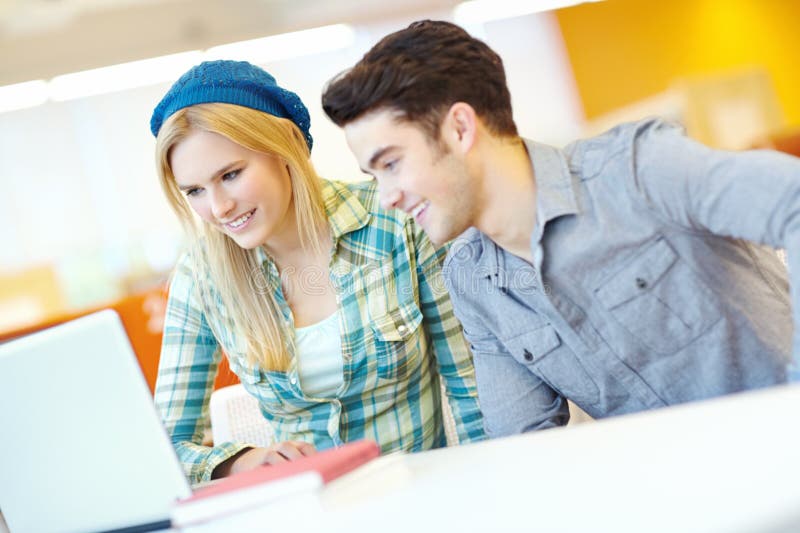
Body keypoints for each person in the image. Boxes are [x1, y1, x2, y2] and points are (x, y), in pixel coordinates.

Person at [321, 20, 798, 437]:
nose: (386, 196)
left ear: (459, 130)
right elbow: (524, 445)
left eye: (392, 163)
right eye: (375, 175)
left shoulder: (637, 169)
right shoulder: (471, 280)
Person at [149, 59, 484, 485]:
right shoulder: (200, 278)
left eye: (230, 175)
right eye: (194, 191)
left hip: (420, 497)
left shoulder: (396, 221)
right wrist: (242, 461)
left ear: (284, 150)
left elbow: (472, 389)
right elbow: (168, 448)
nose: (218, 208)